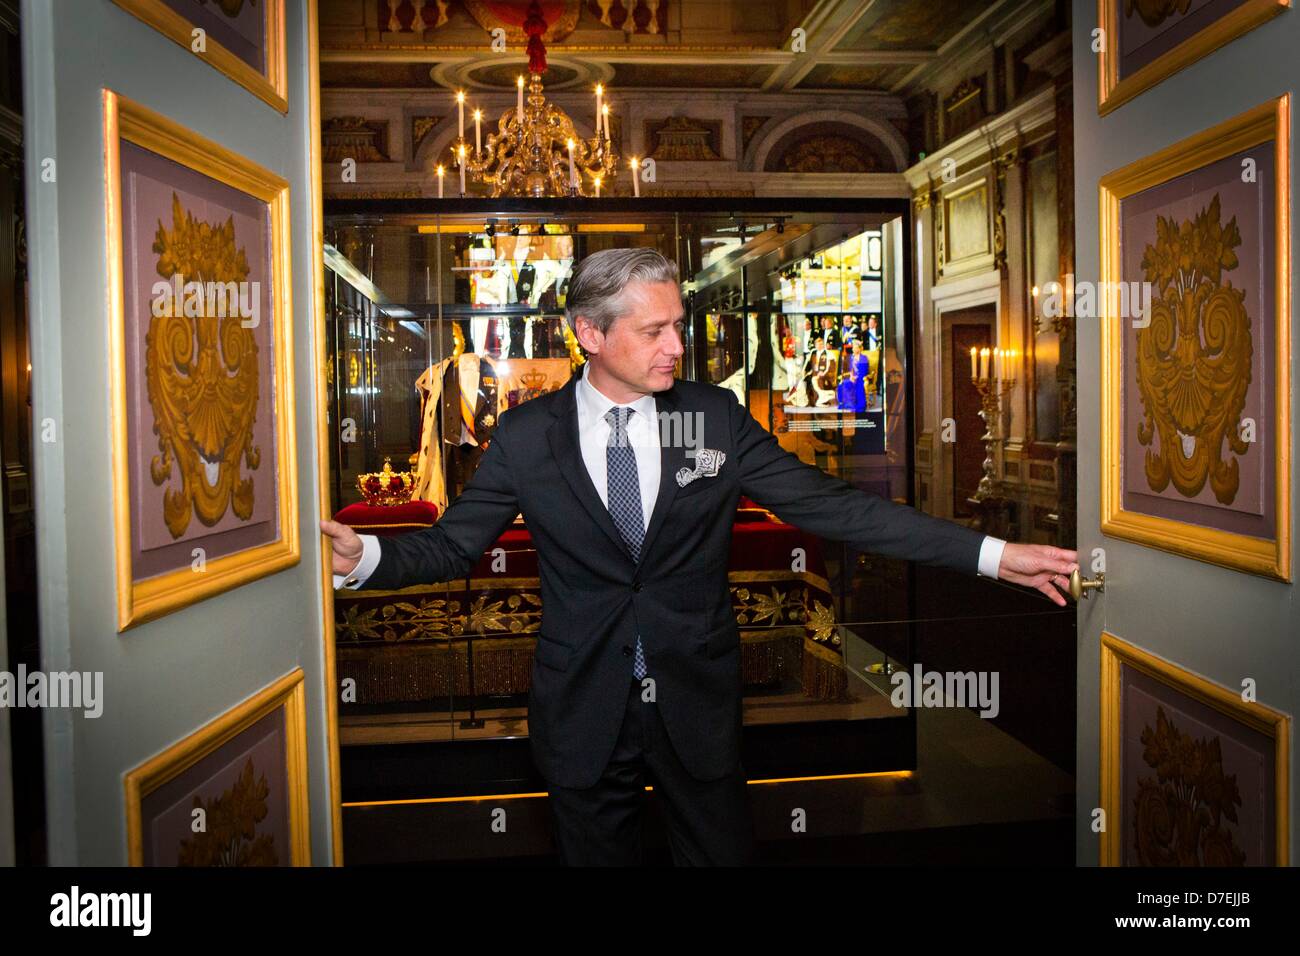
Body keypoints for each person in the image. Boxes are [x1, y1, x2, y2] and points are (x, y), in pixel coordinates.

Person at [320, 248, 1079, 866]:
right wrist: (366, 558)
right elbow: (456, 544)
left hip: (697, 701)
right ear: (589, 333)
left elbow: (832, 507)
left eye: (677, 325)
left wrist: (993, 554)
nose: (677, 347)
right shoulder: (527, 437)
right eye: (653, 331)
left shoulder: (712, 417)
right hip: (582, 707)